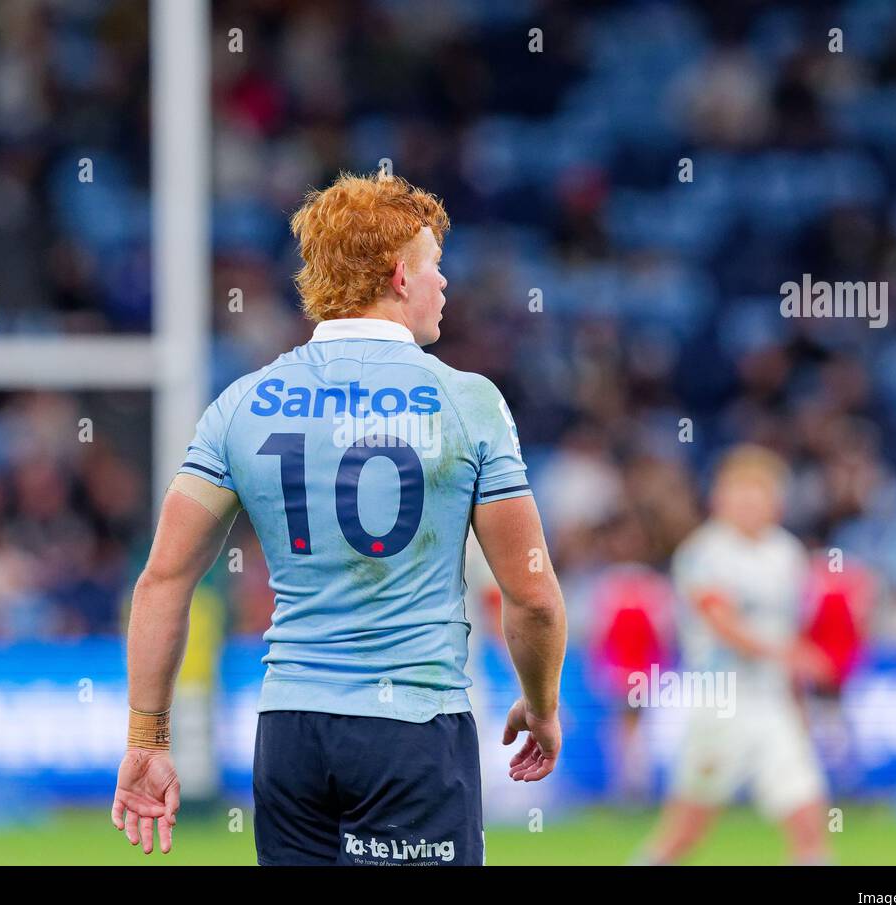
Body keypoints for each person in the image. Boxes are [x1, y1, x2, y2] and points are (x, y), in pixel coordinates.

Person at [110, 171, 567, 865]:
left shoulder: (244, 402)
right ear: (399, 276)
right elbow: (531, 594)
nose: (443, 284)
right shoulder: (467, 401)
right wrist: (541, 703)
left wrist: (147, 740)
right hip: (410, 729)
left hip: (290, 734)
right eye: (434, 266)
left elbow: (163, 581)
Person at [636, 444, 832, 865]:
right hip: (721, 701)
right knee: (686, 830)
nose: (748, 505)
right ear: (719, 499)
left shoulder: (788, 554)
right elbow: (721, 623)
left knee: (808, 822)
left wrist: (795, 697)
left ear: (776, 501)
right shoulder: (704, 552)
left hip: (771, 702)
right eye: (738, 494)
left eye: (757, 494)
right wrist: (791, 654)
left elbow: (789, 628)